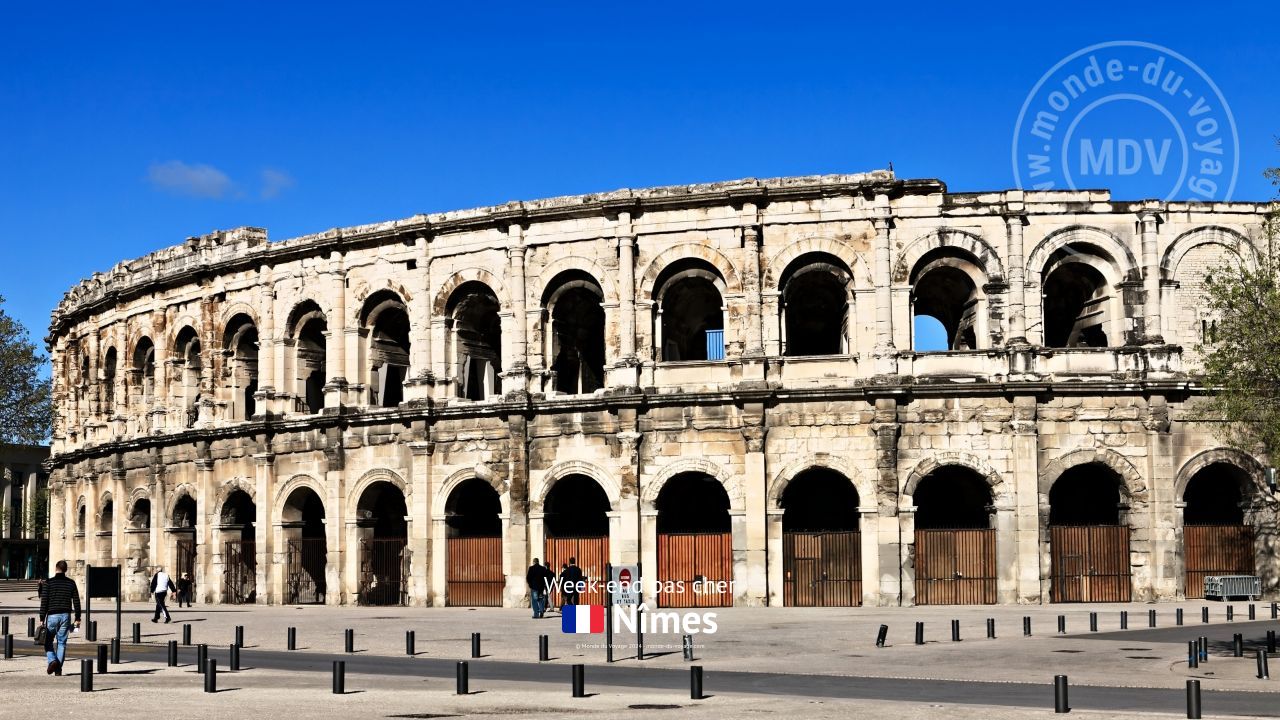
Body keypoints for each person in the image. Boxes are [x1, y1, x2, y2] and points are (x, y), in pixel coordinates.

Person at [39, 560, 81, 676]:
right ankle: (58, 669)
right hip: (66, 616)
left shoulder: (49, 582)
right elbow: (76, 601)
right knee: (62, 643)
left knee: (47, 641)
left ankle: (52, 660)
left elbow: (44, 602)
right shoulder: (71, 583)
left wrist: (42, 617)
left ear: (56, 568)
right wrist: (78, 617)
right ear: (66, 570)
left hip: (52, 615)